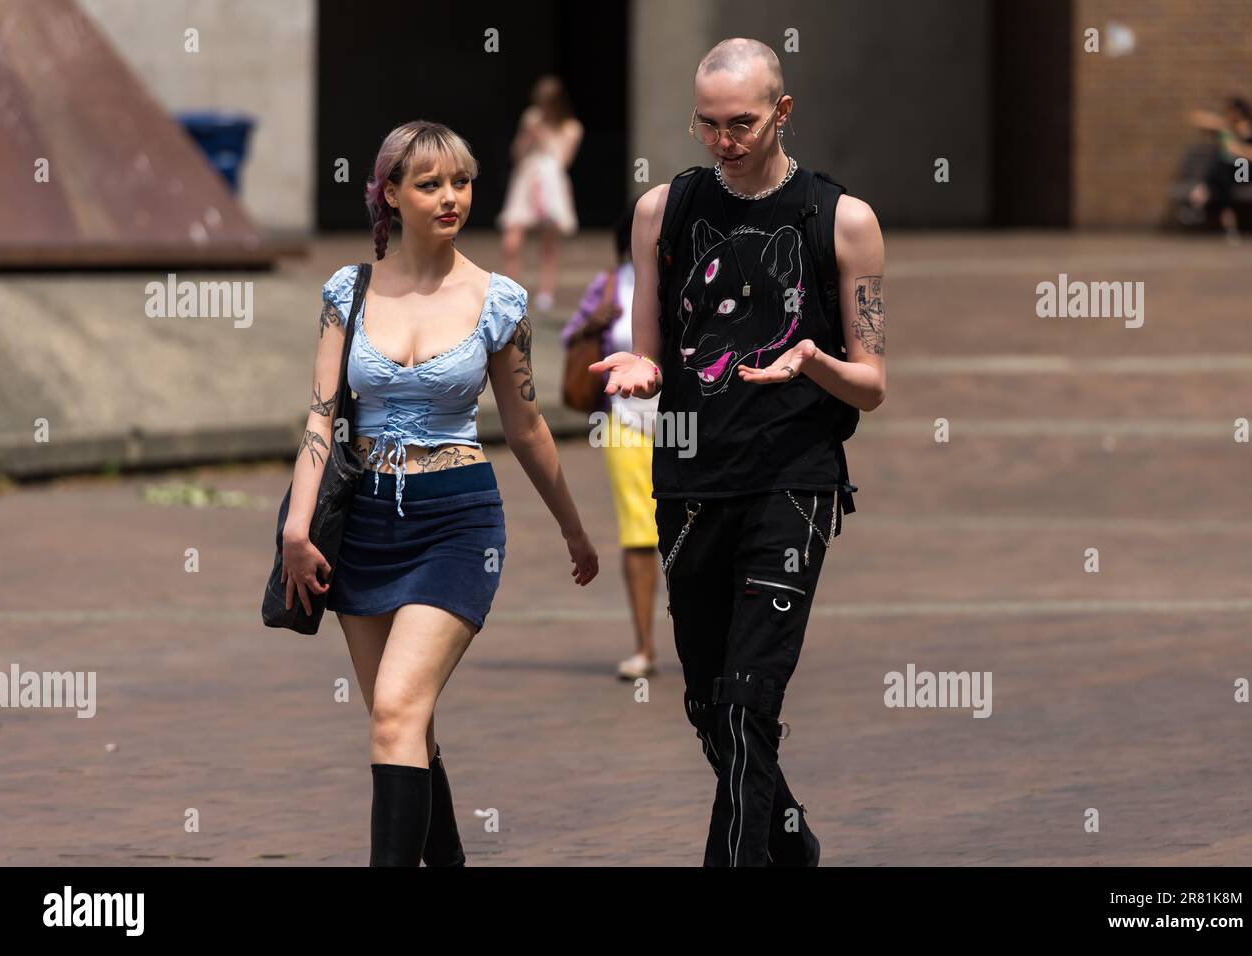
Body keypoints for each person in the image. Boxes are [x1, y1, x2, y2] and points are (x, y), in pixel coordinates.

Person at [591, 38, 887, 866]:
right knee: (706, 701)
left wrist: (816, 362)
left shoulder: (843, 220)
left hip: (793, 481)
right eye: (709, 124)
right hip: (690, 479)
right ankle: (792, 844)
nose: (725, 140)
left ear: (782, 112)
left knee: (749, 703)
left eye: (744, 123)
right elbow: (653, 353)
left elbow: (873, 384)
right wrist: (640, 370)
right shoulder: (665, 211)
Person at [280, 120, 599, 866]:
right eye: (430, 184)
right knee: (407, 727)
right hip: (360, 527)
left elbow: (526, 428)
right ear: (390, 193)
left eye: (460, 182)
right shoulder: (347, 292)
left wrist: (573, 531)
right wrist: (299, 528)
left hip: (458, 522)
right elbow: (320, 418)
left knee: (395, 711)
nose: (450, 197)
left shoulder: (498, 300)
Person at [560, 208, 661, 680]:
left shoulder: (696, 278)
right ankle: (644, 647)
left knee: (703, 531)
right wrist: (592, 325)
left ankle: (711, 643)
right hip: (626, 423)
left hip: (692, 427)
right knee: (640, 532)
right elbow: (568, 339)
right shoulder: (609, 285)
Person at [497, 75, 583, 314]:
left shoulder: (572, 128)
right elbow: (516, 153)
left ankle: (546, 292)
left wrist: (542, 135)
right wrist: (527, 136)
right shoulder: (530, 118)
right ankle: (511, 289)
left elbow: (562, 161)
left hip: (551, 184)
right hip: (526, 179)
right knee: (511, 240)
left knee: (548, 242)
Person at [1181, 96, 1252, 244]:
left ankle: (1196, 202)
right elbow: (1196, 118)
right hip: (1228, 174)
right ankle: (1229, 226)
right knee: (1221, 174)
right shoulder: (1229, 130)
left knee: (1221, 168)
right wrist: (1221, 124)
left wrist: (1240, 150)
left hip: (1246, 172)